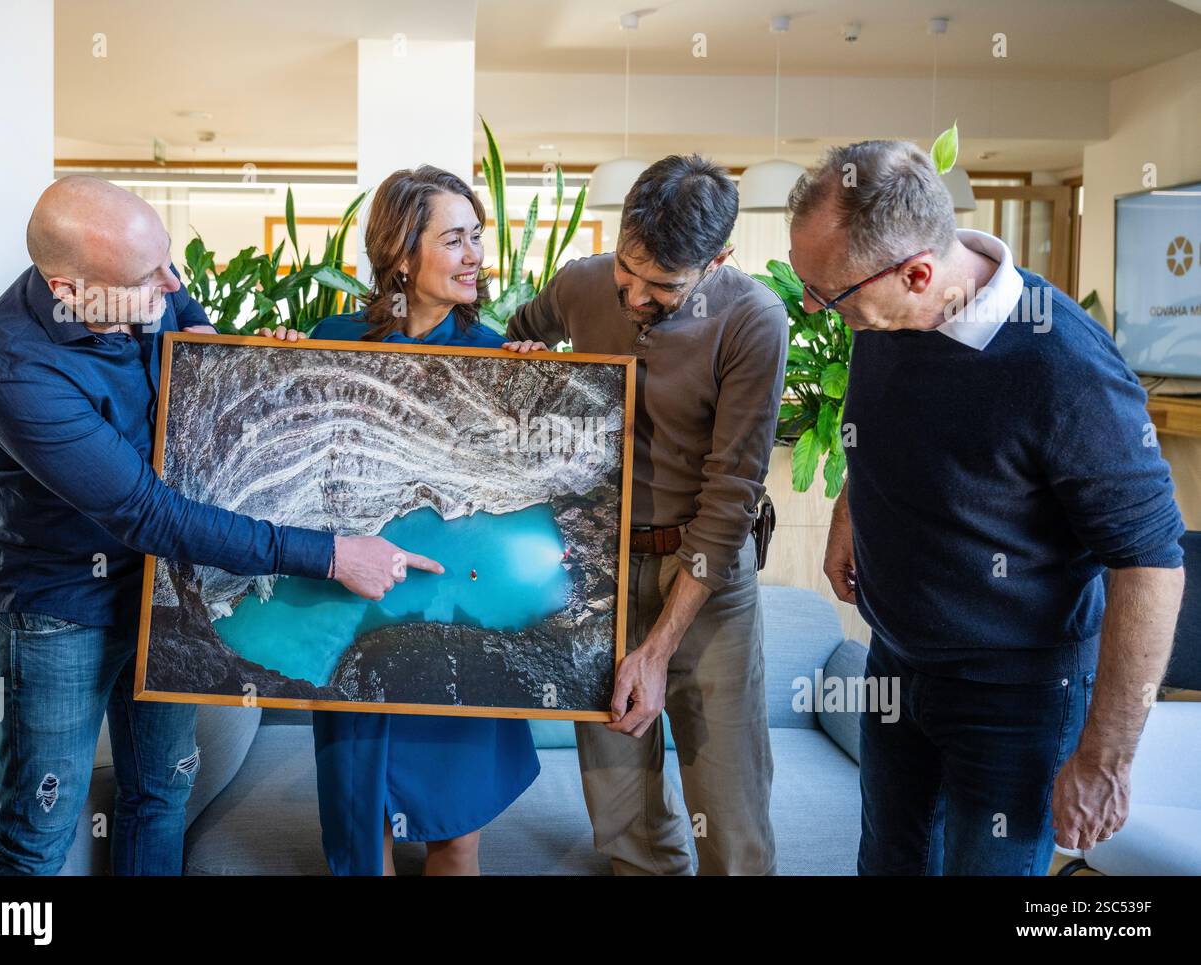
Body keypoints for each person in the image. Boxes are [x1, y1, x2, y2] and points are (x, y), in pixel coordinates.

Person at [0, 176, 440, 875]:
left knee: (162, 790)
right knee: (38, 829)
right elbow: (150, 513)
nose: (170, 283)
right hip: (63, 609)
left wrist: (217, 346)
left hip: (166, 590)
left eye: (168, 260)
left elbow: (179, 302)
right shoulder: (12, 371)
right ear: (71, 290)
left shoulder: (140, 282)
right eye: (147, 277)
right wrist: (332, 555)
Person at [786, 140, 1186, 875]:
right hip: (896, 662)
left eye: (827, 293)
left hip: (1016, 694)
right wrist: (851, 514)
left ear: (917, 272)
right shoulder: (886, 313)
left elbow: (1151, 557)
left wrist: (1106, 756)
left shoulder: (1061, 361)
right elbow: (877, 422)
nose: (814, 307)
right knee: (888, 861)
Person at [503, 155, 789, 875]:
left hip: (707, 570)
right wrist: (530, 363)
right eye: (627, 272)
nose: (632, 297)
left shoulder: (753, 320)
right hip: (595, 566)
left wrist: (657, 649)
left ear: (718, 260)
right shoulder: (580, 283)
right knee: (621, 808)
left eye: (661, 286)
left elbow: (731, 499)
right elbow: (518, 334)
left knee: (730, 809)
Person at [265, 165, 540, 875]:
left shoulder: (495, 357)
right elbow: (296, 472)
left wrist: (543, 395)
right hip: (358, 619)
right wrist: (271, 369)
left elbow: (520, 503)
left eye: (478, 236)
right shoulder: (332, 338)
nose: (477, 254)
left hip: (458, 620)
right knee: (364, 827)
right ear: (401, 253)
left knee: (457, 833)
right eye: (455, 240)